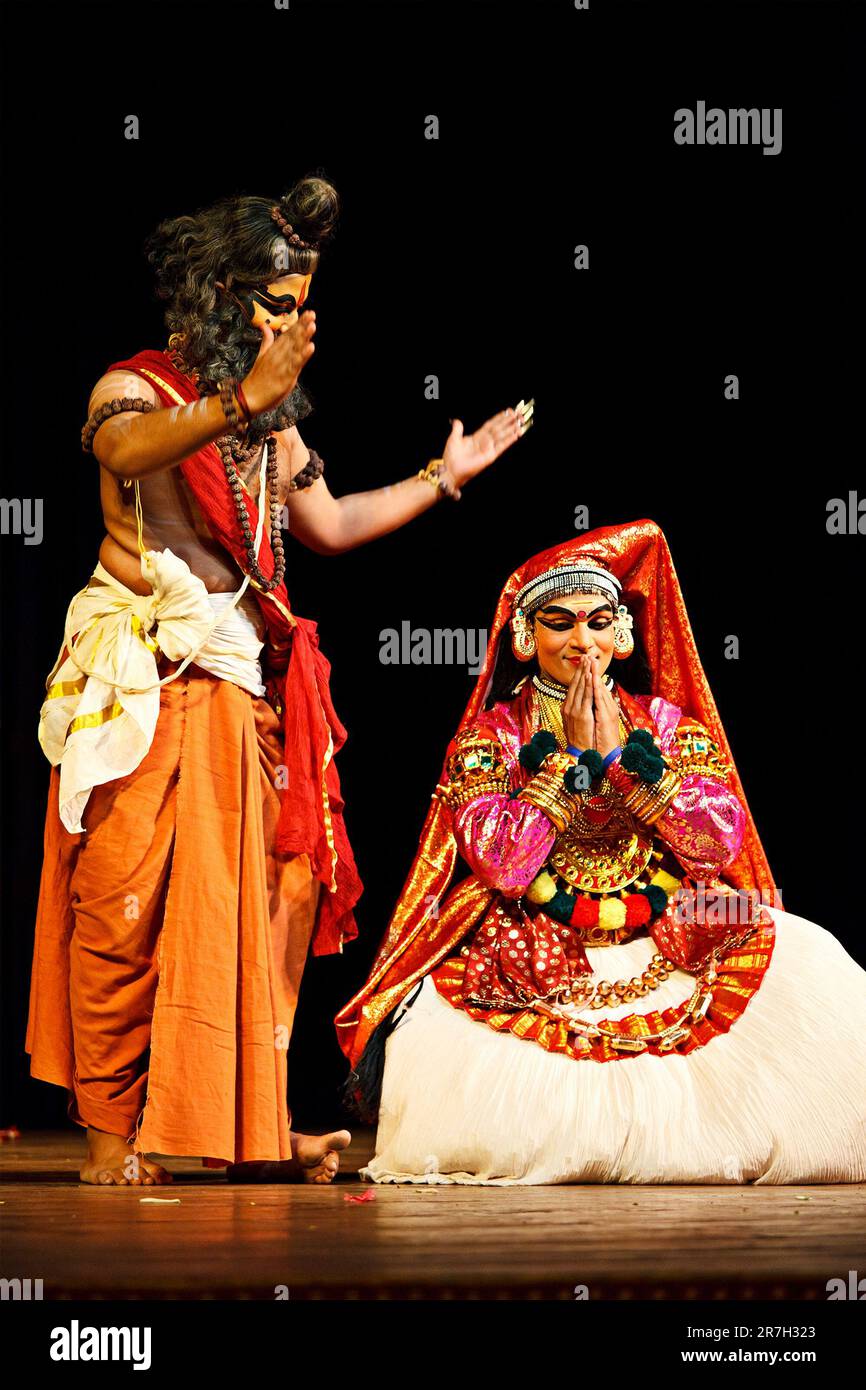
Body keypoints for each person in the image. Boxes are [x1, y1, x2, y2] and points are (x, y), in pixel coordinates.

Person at [25, 174, 531, 1187]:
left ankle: (239, 1124)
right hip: (150, 681)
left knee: (260, 912)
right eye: (278, 305)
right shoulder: (136, 390)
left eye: (304, 304)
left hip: (247, 685)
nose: (299, 324)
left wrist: (445, 477)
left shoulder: (272, 426)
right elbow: (123, 453)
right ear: (218, 293)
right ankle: (112, 1135)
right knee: (122, 907)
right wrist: (234, 404)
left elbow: (329, 524)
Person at [337, 519, 866, 1184]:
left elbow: (719, 838)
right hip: (533, 942)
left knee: (815, 967)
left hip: (668, 929)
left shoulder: (668, 726)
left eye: (596, 622)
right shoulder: (490, 738)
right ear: (526, 639)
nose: (580, 642)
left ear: (622, 633)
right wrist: (565, 767)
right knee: (480, 1087)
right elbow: (501, 863)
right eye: (558, 623)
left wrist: (622, 760)